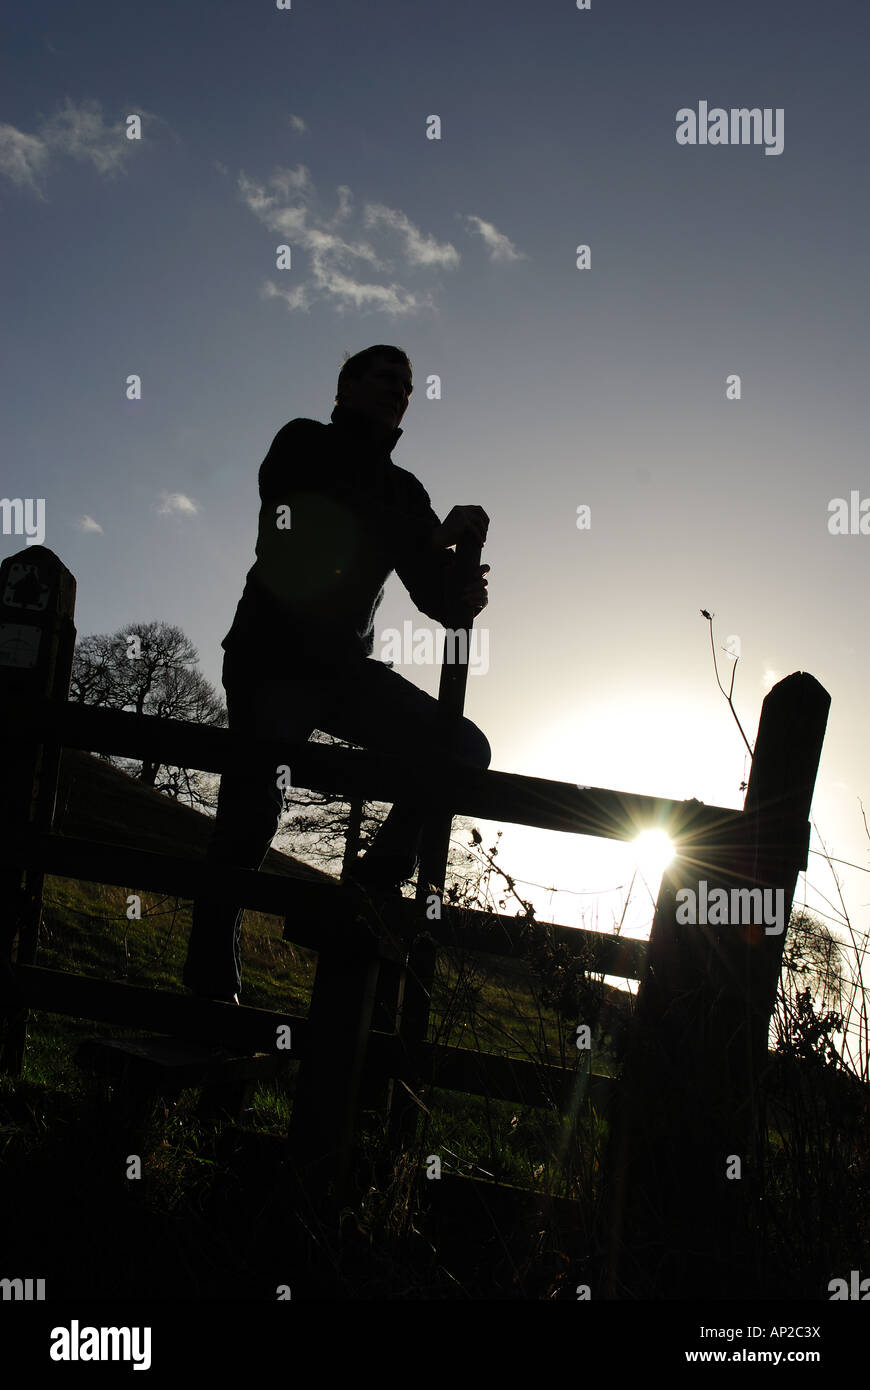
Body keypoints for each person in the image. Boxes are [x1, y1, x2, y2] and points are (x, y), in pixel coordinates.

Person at [182, 344, 491, 1003]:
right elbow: (327, 512)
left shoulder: (406, 491)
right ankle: (212, 994)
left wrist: (461, 586)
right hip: (271, 656)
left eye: (408, 386)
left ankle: (372, 886)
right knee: (252, 812)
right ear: (346, 385)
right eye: (386, 378)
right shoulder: (303, 445)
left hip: (342, 672)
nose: (400, 392)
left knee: (463, 748)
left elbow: (432, 592)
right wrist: (429, 540)